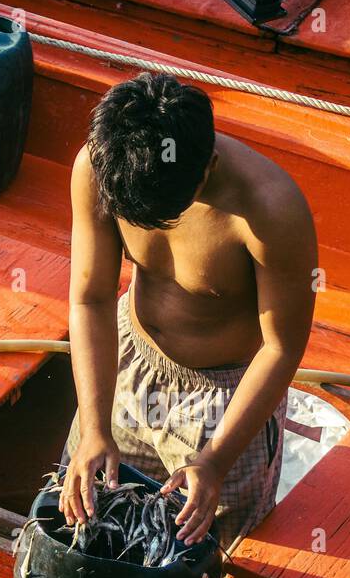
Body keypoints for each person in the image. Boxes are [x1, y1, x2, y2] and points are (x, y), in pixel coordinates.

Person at [59, 72, 317, 549]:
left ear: (209, 167)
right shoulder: (104, 164)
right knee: (89, 526)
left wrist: (215, 462)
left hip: (224, 403)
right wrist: (94, 427)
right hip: (124, 369)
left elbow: (281, 347)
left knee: (203, 556)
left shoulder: (272, 210)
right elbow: (91, 297)